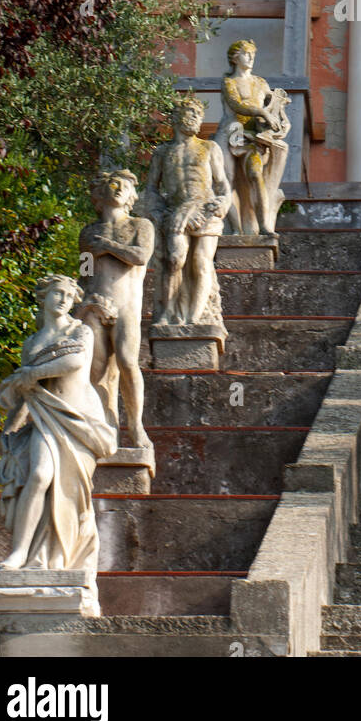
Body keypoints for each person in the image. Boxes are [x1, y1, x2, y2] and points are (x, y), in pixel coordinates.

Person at [0, 274, 116, 579]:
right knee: (38, 476)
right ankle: (20, 552)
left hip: (79, 421)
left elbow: (74, 363)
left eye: (67, 295)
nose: (62, 300)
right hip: (45, 420)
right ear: (43, 297)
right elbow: (26, 395)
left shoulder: (81, 331)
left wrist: (31, 373)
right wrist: (10, 429)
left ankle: (60, 555)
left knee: (70, 492)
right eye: (56, 293)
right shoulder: (32, 343)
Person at [78, 168, 154, 447]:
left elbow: (140, 255)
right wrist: (81, 301)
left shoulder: (140, 226)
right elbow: (85, 271)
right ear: (100, 193)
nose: (119, 189)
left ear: (132, 195)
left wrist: (107, 246)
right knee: (93, 369)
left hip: (125, 307)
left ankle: (135, 426)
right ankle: (102, 425)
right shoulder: (88, 232)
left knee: (127, 361)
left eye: (124, 186)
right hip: (97, 305)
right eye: (113, 183)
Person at [143, 97, 231, 324]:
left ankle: (195, 317)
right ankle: (168, 313)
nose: (195, 119)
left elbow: (223, 187)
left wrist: (222, 204)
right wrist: (157, 211)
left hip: (205, 210)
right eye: (190, 112)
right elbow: (151, 188)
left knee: (202, 262)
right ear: (175, 117)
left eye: (198, 115)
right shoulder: (162, 153)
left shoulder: (209, 148)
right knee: (174, 260)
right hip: (176, 212)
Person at [214, 40, 290, 237]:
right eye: (246, 53)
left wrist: (280, 114)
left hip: (254, 136)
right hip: (231, 131)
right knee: (226, 181)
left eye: (253, 54)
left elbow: (274, 105)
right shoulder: (228, 82)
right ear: (234, 57)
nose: (251, 58)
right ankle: (235, 229)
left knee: (256, 176)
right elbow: (236, 104)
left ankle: (264, 226)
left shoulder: (260, 83)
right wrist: (262, 113)